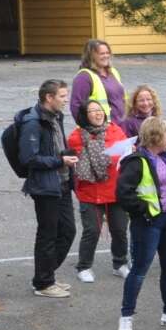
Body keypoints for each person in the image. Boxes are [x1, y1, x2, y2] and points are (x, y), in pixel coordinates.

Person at [114, 116, 166, 330]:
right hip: (148, 224)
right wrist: (145, 210)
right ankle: (126, 317)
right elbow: (123, 194)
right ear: (156, 136)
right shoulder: (136, 161)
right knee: (139, 271)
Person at [18, 80, 78, 299]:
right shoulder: (33, 123)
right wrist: (60, 160)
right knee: (48, 234)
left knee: (68, 231)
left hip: (62, 183)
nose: (66, 100)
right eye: (62, 96)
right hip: (45, 187)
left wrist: (66, 155)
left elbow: (55, 147)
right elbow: (29, 158)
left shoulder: (56, 117)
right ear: (49, 97)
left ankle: (45, 275)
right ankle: (43, 283)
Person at [67, 98, 129, 285]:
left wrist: (129, 150)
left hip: (115, 190)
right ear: (84, 116)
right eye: (92, 111)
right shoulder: (76, 137)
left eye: (99, 109)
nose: (98, 113)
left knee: (120, 229)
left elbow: (125, 154)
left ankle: (120, 263)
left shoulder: (116, 130)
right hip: (90, 192)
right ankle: (84, 267)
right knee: (92, 231)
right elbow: (76, 164)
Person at [70, 39, 125, 127]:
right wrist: (89, 129)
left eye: (107, 53)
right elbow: (76, 107)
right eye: (102, 53)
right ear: (91, 56)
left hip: (119, 127)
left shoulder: (113, 72)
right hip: (101, 129)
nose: (106, 56)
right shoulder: (84, 77)